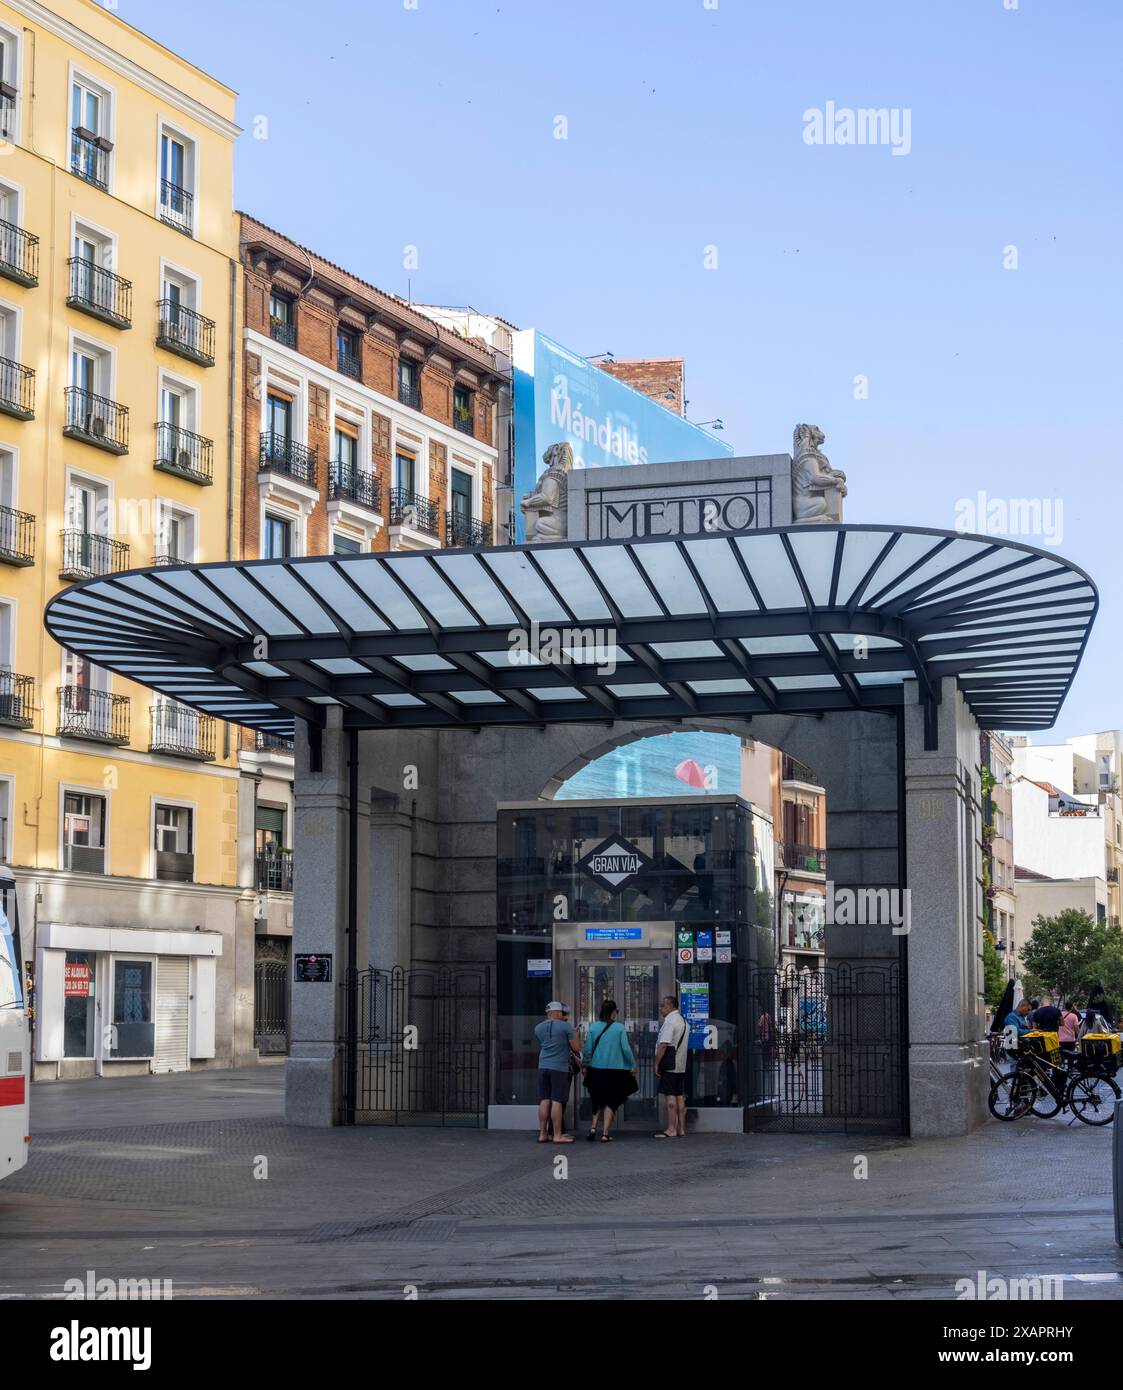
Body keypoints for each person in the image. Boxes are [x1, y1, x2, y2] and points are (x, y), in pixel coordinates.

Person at [580, 999, 637, 1142]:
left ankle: (593, 1128)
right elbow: (625, 1049)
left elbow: (587, 1049)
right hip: (616, 1071)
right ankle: (605, 1133)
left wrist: (585, 1065)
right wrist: (632, 1064)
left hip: (596, 1069)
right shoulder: (619, 1028)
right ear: (613, 1012)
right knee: (612, 1101)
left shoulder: (593, 1027)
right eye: (616, 1011)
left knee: (596, 1099)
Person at [535, 1002, 580, 1144]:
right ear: (557, 1012)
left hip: (543, 1066)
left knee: (544, 1100)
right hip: (559, 1068)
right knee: (557, 1101)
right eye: (562, 1012)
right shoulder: (565, 1027)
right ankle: (557, 1135)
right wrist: (577, 1035)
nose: (563, 1015)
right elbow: (576, 1048)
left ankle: (542, 1134)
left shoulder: (538, 1028)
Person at [653, 994, 689, 1139]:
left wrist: (656, 1063)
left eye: (662, 1006)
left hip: (670, 1065)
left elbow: (663, 1045)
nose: (661, 1009)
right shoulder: (684, 1022)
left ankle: (671, 1129)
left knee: (670, 1098)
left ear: (669, 1006)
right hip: (681, 1064)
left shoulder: (670, 1022)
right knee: (679, 1096)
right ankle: (681, 1129)